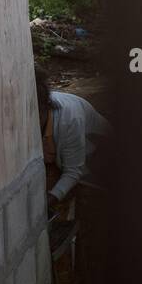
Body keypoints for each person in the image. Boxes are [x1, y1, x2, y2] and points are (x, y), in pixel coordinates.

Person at [34, 67, 112, 212]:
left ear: (42, 109)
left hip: (96, 155)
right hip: (63, 158)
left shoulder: (70, 119)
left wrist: (48, 202)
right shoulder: (36, 109)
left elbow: (73, 171)